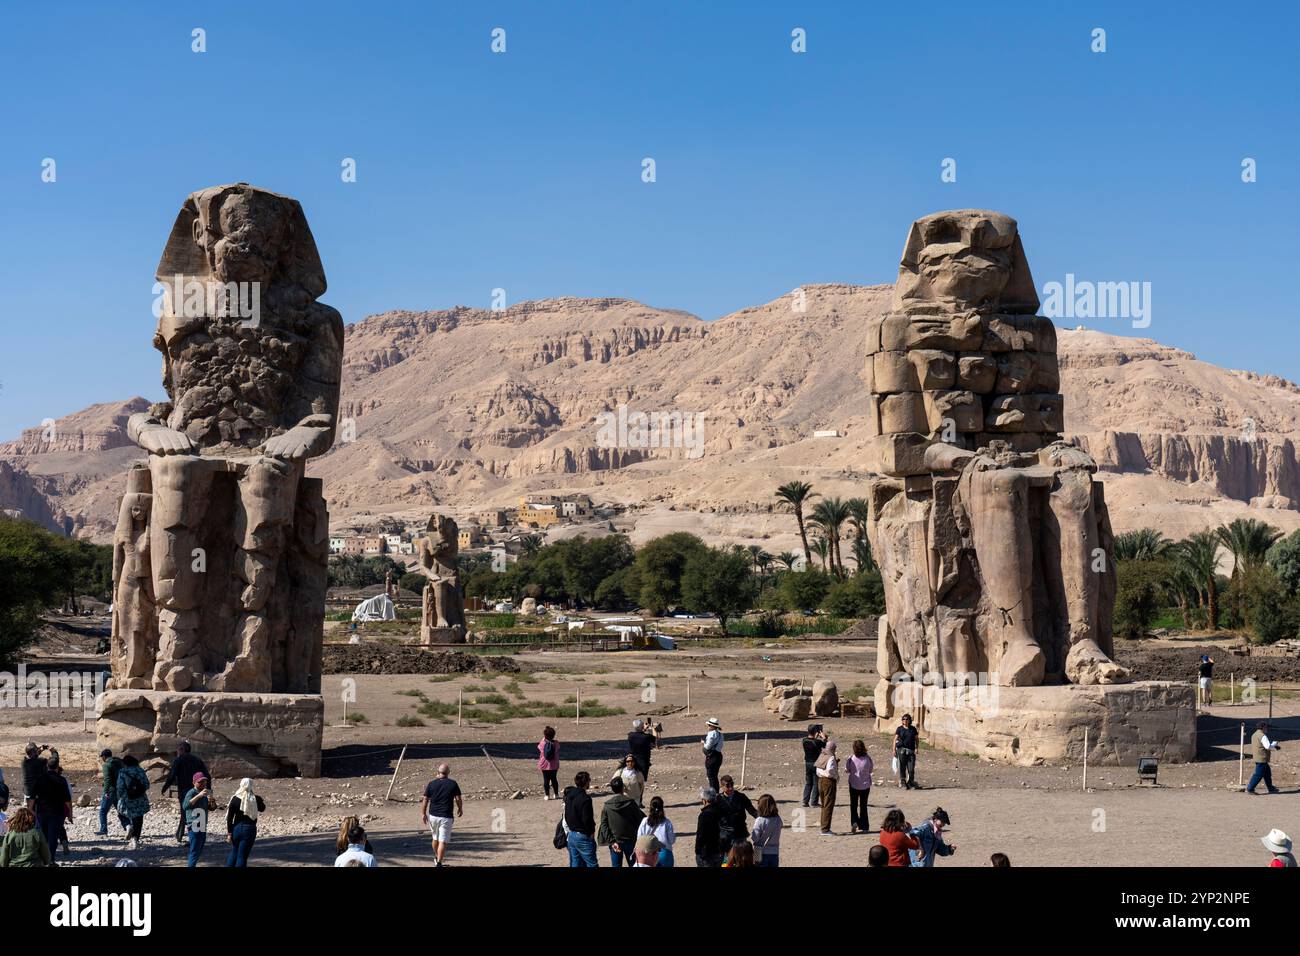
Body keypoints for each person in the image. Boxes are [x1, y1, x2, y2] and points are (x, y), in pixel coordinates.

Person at [160, 741, 209, 843]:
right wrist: (208, 790)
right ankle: (187, 836)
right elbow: (207, 776)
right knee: (197, 811)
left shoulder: (179, 760)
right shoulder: (197, 760)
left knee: (185, 812)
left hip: (184, 791)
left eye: (178, 750)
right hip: (197, 790)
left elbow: (172, 775)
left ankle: (187, 837)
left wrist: (165, 787)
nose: (177, 752)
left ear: (182, 750)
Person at [420, 763, 462, 867]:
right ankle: (439, 862)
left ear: (438, 772)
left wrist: (423, 813)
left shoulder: (431, 784)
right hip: (446, 816)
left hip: (433, 816)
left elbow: (425, 799)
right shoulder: (453, 784)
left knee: (435, 838)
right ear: (448, 772)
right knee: (442, 841)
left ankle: (437, 857)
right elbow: (458, 798)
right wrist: (460, 808)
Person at [597, 776, 644, 867]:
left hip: (615, 841)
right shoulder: (630, 803)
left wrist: (611, 841)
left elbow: (604, 825)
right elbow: (640, 819)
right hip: (631, 840)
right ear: (623, 787)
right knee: (634, 865)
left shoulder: (607, 806)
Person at [32, 758, 72, 859]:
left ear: (47, 766)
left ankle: (44, 859)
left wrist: (30, 809)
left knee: (43, 836)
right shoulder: (62, 780)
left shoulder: (39, 779)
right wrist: (70, 814)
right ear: (57, 767)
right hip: (57, 812)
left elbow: (32, 797)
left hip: (42, 812)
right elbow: (67, 800)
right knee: (53, 837)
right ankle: (50, 859)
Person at [225, 777, 265, 867]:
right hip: (249, 828)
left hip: (236, 828)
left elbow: (230, 818)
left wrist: (229, 832)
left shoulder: (235, 798)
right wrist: (258, 799)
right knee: (242, 856)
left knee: (234, 852)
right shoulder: (255, 799)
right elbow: (262, 808)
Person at [116, 754, 151, 851]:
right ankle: (135, 839)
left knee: (121, 813)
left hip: (127, 798)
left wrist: (120, 797)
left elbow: (120, 787)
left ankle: (127, 826)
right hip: (140, 798)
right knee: (138, 818)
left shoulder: (122, 772)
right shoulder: (140, 770)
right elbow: (147, 784)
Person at [563, 771, 598, 867]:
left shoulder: (569, 796)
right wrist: (591, 832)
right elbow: (587, 819)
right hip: (583, 836)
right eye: (589, 780)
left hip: (572, 835)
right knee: (592, 864)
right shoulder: (585, 798)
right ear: (586, 782)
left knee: (576, 863)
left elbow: (566, 815)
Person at [717, 775, 757, 848]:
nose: (731, 788)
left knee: (741, 854)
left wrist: (764, 818)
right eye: (727, 786)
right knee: (726, 855)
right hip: (725, 835)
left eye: (732, 784)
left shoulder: (741, 797)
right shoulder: (718, 800)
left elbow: (752, 811)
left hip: (740, 833)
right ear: (721, 786)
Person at [845, 739, 875, 834]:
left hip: (854, 784)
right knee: (863, 806)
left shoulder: (851, 759)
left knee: (853, 805)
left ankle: (854, 821)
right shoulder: (868, 758)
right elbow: (870, 770)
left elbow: (847, 770)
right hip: (865, 785)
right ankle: (864, 826)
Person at [181, 773, 211, 868]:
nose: (203, 783)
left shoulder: (205, 793)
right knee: (194, 851)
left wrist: (212, 801)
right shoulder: (191, 793)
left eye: (204, 781)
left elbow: (212, 808)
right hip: (194, 824)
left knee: (199, 849)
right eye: (200, 782)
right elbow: (185, 806)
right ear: (194, 783)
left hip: (202, 823)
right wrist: (198, 796)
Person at [637, 795, 676, 867]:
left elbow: (639, 838)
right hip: (664, 853)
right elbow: (672, 840)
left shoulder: (644, 821)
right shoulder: (667, 822)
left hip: (648, 854)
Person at [94, 748, 125, 837]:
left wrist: (105, 791)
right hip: (119, 790)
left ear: (104, 756)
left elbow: (107, 779)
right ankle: (128, 826)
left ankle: (103, 830)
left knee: (103, 811)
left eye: (102, 757)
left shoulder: (106, 765)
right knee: (120, 810)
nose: (102, 758)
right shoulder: (119, 763)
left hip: (110, 791)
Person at [1247, 722, 1282, 795]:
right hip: (1262, 758)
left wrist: (1274, 746)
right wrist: (1275, 743)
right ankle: (1250, 789)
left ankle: (1271, 788)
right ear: (1263, 728)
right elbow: (1267, 746)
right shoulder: (1263, 736)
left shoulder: (1254, 734)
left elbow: (1261, 745)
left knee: (1267, 773)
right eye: (1266, 727)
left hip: (1257, 757)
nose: (1267, 729)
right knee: (1258, 775)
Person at [750, 793, 783, 867]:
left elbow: (755, 837)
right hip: (774, 851)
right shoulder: (778, 819)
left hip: (759, 852)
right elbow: (780, 827)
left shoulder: (760, 820)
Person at [694, 787, 724, 868]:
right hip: (719, 851)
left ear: (704, 800)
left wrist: (698, 851)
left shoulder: (704, 815)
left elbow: (701, 835)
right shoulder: (721, 811)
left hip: (707, 854)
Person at [815, 741, 840, 835]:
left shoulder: (822, 755)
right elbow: (830, 771)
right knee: (828, 805)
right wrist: (836, 776)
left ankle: (823, 827)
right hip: (829, 782)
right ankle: (825, 829)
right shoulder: (831, 757)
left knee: (824, 805)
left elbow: (818, 769)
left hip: (820, 780)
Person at [21, 743, 54, 810]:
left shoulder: (24, 761)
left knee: (29, 810)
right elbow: (52, 762)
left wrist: (40, 749)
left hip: (27, 791)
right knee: (35, 810)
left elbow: (33, 756)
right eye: (36, 750)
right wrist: (53, 752)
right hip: (34, 792)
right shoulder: (40, 761)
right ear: (33, 753)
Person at [801, 724, 827, 808]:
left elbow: (812, 741)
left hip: (807, 763)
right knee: (816, 783)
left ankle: (805, 801)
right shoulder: (818, 742)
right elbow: (825, 745)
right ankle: (814, 802)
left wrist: (815, 736)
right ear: (815, 731)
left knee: (808, 783)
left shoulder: (804, 740)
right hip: (816, 763)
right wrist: (824, 738)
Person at [627, 718, 659, 783]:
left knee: (633, 778)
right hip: (644, 761)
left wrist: (643, 729)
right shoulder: (646, 737)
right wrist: (652, 728)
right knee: (642, 780)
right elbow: (656, 737)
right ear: (642, 726)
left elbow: (639, 735)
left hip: (632, 760)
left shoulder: (630, 735)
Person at [894, 714, 920, 790]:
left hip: (911, 751)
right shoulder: (899, 729)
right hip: (901, 750)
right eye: (903, 719)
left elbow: (917, 739)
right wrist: (893, 750)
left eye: (906, 719)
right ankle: (903, 782)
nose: (905, 720)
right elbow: (895, 739)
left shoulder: (913, 729)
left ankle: (910, 782)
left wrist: (917, 748)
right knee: (902, 766)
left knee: (911, 768)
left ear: (909, 720)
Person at [537, 726, 560, 801]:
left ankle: (547, 795)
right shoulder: (556, 743)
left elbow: (539, 747)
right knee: (554, 779)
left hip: (544, 764)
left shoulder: (542, 743)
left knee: (546, 780)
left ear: (545, 735)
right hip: (554, 764)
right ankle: (556, 794)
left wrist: (544, 737)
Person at [702, 717, 724, 790]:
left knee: (711, 777)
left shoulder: (711, 734)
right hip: (718, 756)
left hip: (712, 757)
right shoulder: (720, 734)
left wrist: (703, 743)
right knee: (715, 776)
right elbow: (720, 746)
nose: (708, 726)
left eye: (709, 725)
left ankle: (713, 793)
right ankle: (716, 792)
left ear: (712, 726)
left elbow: (708, 747)